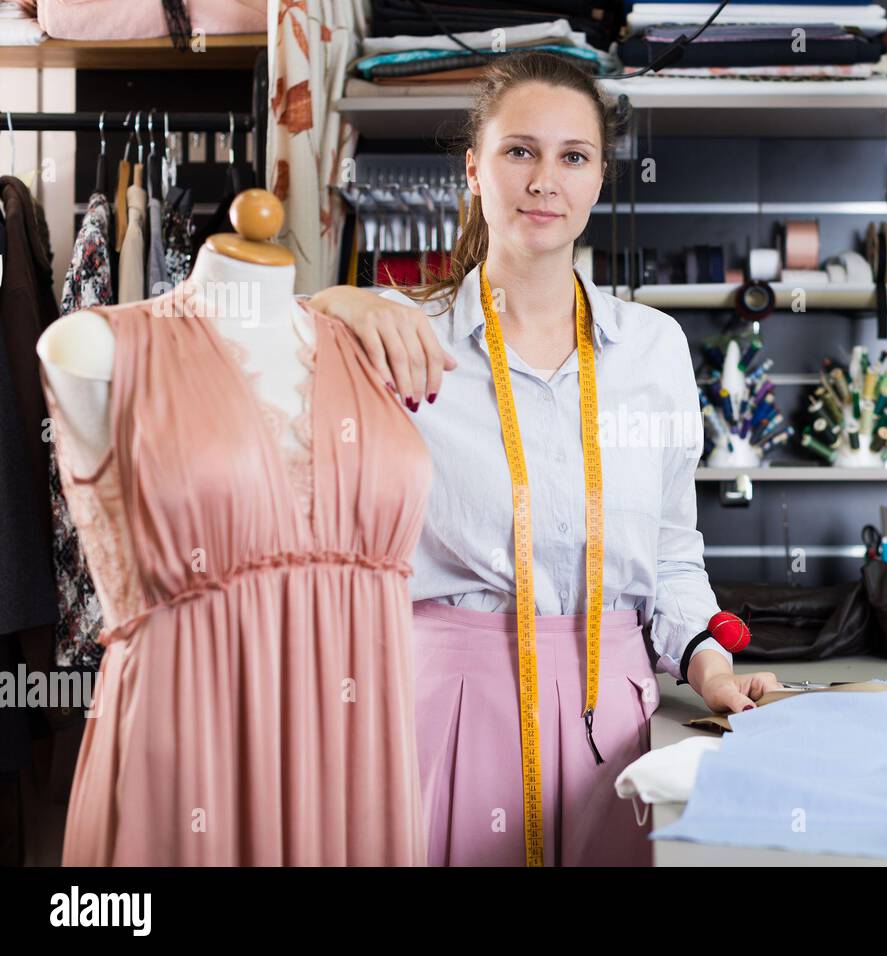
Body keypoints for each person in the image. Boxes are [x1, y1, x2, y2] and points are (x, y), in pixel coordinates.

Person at [308, 51, 780, 867]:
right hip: (447, 705)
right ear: (474, 169)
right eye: (518, 151)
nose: (543, 180)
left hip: (620, 717)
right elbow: (215, 348)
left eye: (573, 156)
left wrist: (707, 664)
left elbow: (669, 557)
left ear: (598, 180)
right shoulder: (397, 337)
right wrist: (326, 304)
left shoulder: (653, 350)